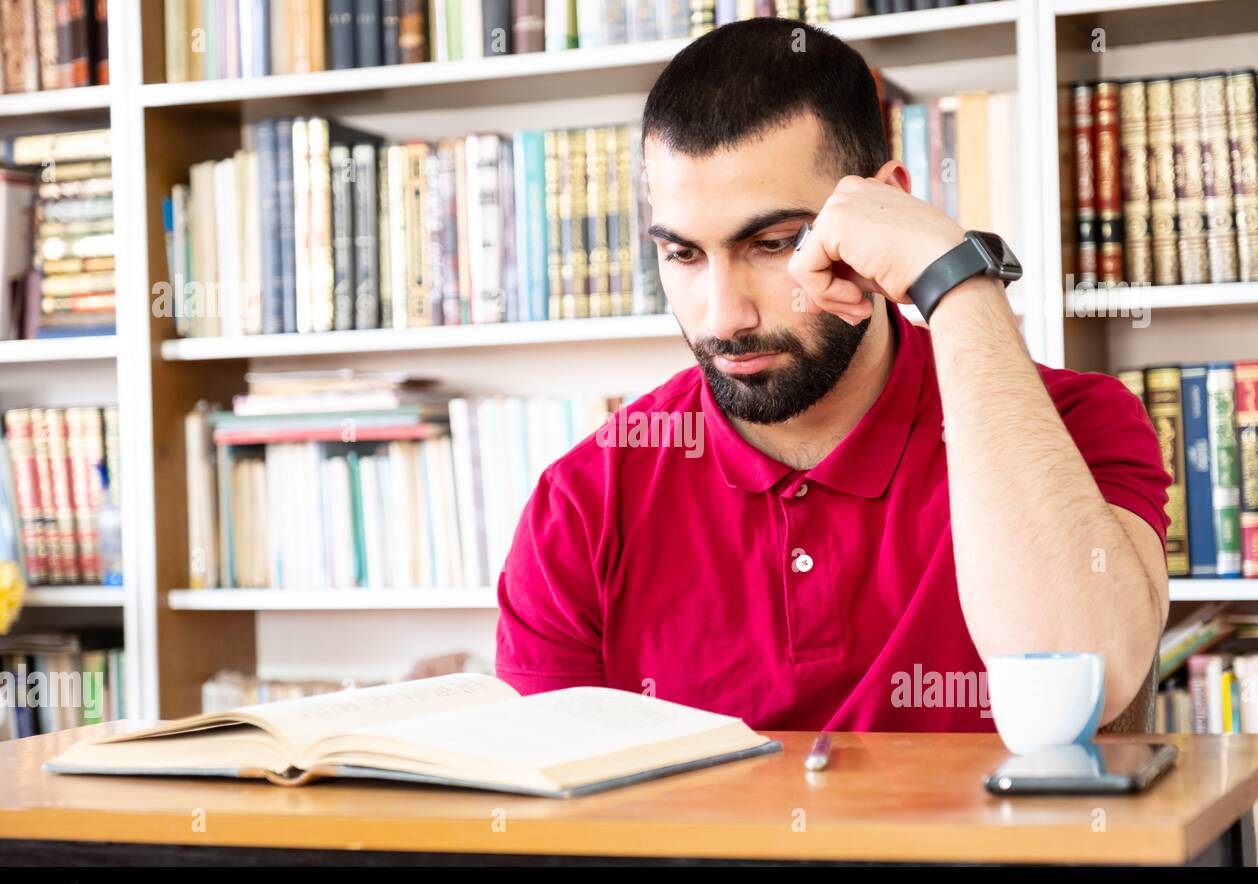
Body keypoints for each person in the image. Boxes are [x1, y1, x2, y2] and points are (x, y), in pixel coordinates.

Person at [494, 18, 1171, 732]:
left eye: (773, 243)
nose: (723, 318)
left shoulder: (1074, 423)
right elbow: (552, 824)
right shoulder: (580, 507)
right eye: (684, 255)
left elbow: (1085, 683)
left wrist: (955, 280)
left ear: (881, 209)